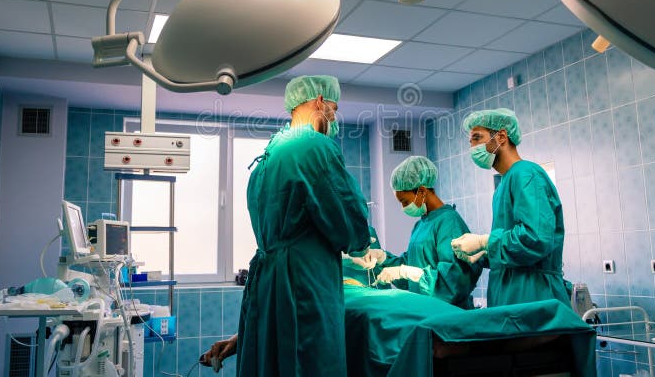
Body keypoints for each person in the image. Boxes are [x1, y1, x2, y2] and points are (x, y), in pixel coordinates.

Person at [234, 75, 371, 377]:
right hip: (303, 282)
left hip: (269, 283)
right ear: (320, 102)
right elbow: (347, 218)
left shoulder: (268, 155)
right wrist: (361, 245)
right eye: (333, 110)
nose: (333, 120)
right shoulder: (314, 147)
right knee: (308, 362)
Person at [450, 108, 571, 308]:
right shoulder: (503, 184)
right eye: (470, 142)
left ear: (502, 137)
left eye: (477, 138)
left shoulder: (526, 174)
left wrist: (485, 242)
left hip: (534, 296)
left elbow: (536, 238)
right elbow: (512, 250)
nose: (472, 147)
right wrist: (485, 253)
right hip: (510, 295)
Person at [374, 155, 481, 309]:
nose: (404, 207)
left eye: (405, 201)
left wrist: (408, 272)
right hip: (425, 311)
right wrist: (383, 259)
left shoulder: (448, 222)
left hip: (447, 314)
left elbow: (454, 281)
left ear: (422, 191)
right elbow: (410, 267)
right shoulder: (421, 224)